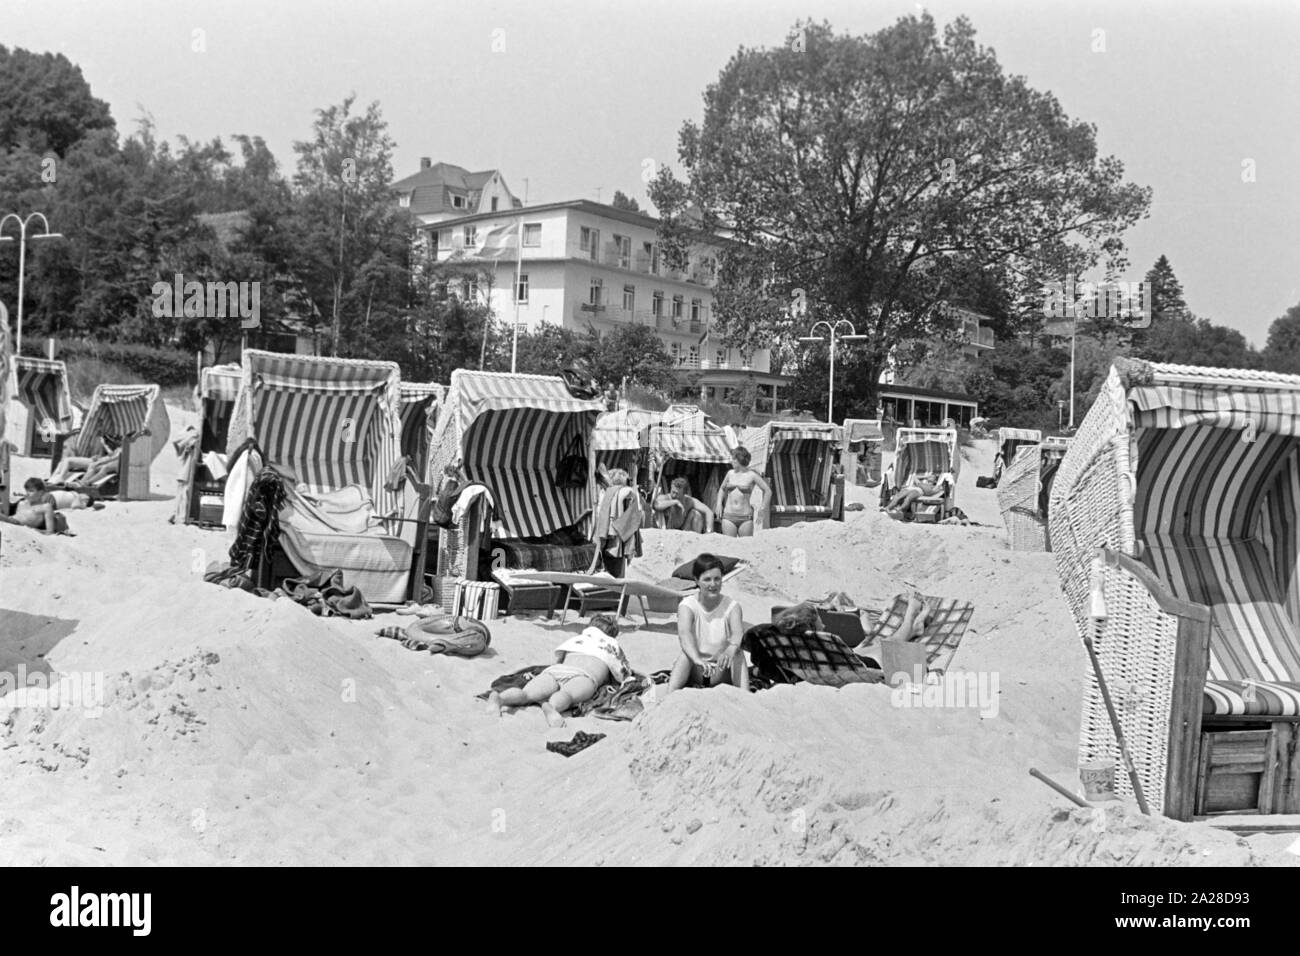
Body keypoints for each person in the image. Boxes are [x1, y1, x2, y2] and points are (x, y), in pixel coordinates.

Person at [487, 613, 630, 728]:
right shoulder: (612, 645)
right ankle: (550, 707)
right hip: (583, 675)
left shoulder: (578, 639)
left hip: (557, 670)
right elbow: (622, 673)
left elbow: (558, 659)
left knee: (526, 694)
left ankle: (499, 698)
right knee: (567, 694)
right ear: (612, 634)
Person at [668, 553, 747, 691]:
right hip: (697, 669)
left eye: (717, 579)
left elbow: (738, 634)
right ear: (697, 581)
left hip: (722, 670)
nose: (713, 584)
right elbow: (684, 635)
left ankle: (746, 696)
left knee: (737, 653)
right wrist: (697, 659)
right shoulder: (687, 606)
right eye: (707, 580)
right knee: (685, 655)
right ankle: (670, 696)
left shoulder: (732, 606)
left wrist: (731, 649)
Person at [587, 468, 641, 578]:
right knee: (616, 570)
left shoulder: (609, 494)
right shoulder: (625, 493)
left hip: (610, 536)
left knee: (613, 569)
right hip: (616, 537)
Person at [715, 446, 771, 537]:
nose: (731, 461)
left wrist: (762, 509)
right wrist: (718, 504)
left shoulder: (752, 475)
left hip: (745, 517)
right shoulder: (730, 474)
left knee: (745, 547)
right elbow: (722, 489)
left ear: (739, 460)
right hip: (728, 516)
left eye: (733, 459)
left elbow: (768, 491)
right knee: (730, 546)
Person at [1, 477, 68, 534]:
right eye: (26, 491)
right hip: (9, 522)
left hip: (18, 526)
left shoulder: (46, 507)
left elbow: (49, 531)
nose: (27, 493)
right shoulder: (23, 501)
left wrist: (34, 531)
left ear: (41, 492)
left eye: (31, 491)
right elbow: (7, 510)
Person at [50, 436, 120, 487]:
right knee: (61, 463)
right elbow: (109, 455)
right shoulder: (104, 442)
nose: (116, 440)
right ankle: (52, 480)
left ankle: (62, 478)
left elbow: (111, 456)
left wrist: (104, 445)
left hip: (95, 462)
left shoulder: (116, 448)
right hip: (96, 460)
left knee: (67, 460)